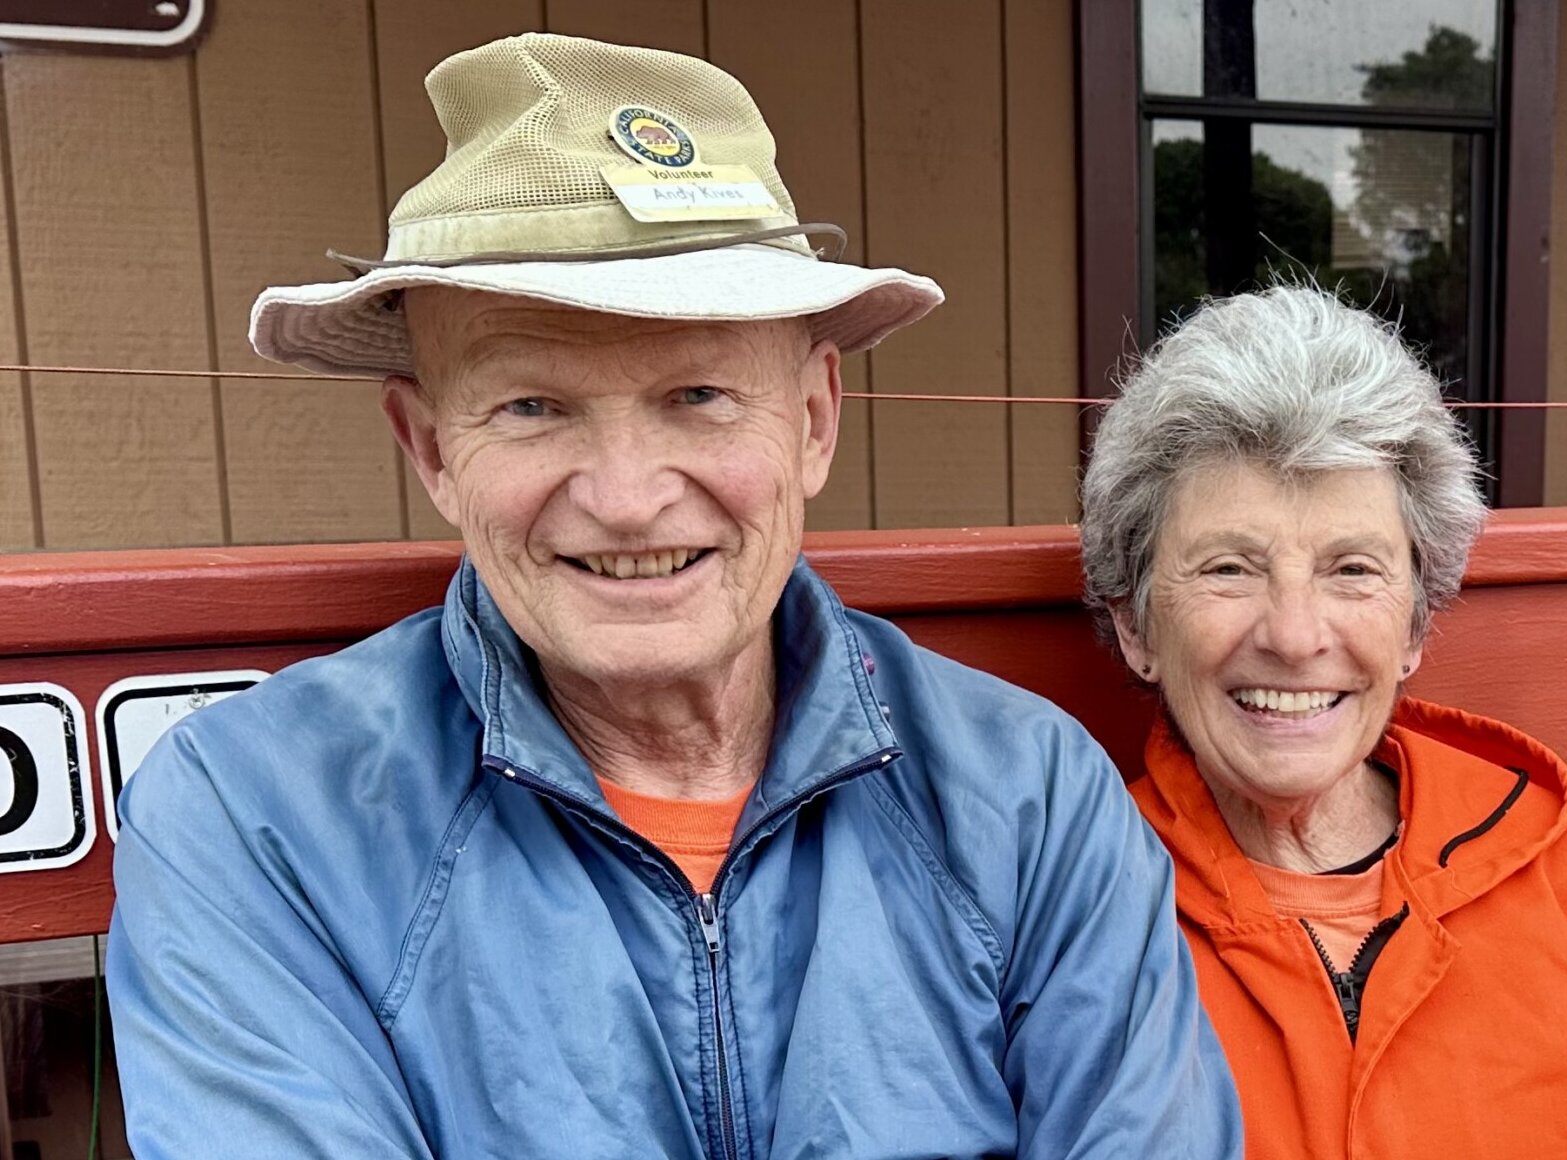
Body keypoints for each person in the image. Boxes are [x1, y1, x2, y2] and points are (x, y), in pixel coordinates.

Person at [106, 33, 1240, 1158]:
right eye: (530, 407)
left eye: (697, 393)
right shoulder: (257, 816)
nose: (628, 497)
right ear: (430, 446)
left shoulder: (1027, 793)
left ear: (811, 419)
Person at [1078, 285, 1567, 1159]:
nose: (1295, 637)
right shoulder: (1078, 921)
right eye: (1229, 567)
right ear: (1135, 625)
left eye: (1352, 570)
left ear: (1415, 624)